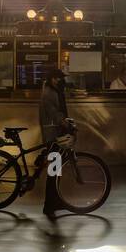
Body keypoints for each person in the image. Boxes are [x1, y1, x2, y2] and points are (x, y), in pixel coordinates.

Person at [37, 67, 74, 218]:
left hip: (56, 133)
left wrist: (64, 122)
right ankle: (48, 205)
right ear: (52, 78)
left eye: (61, 78)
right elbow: (54, 112)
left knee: (56, 169)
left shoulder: (54, 91)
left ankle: (56, 200)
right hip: (52, 135)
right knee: (53, 170)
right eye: (58, 78)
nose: (60, 80)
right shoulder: (49, 93)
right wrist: (64, 122)